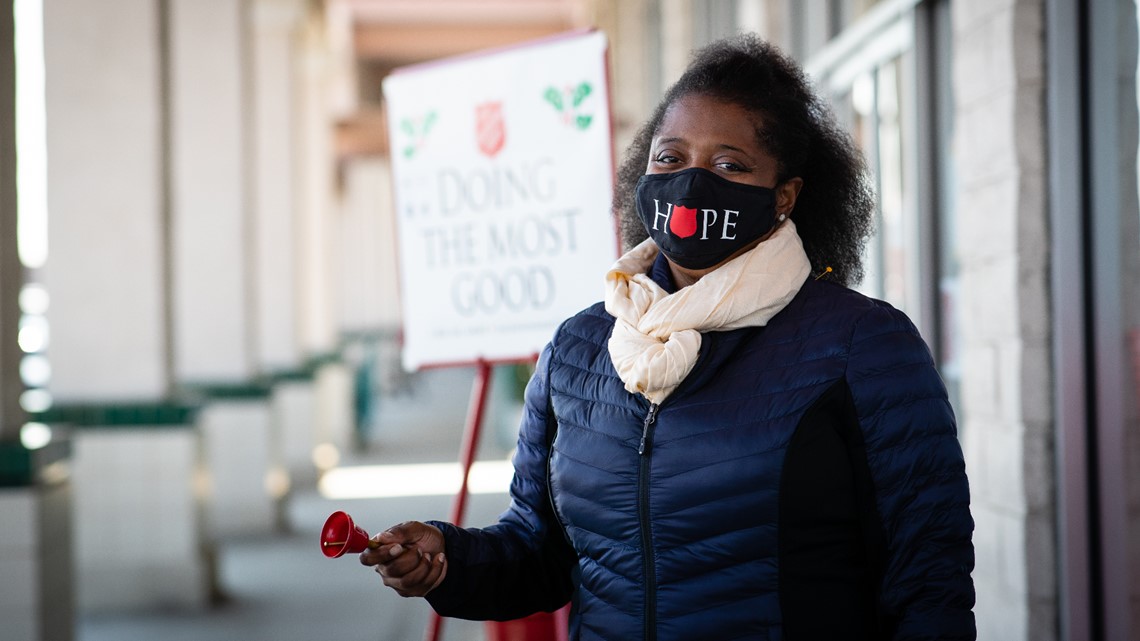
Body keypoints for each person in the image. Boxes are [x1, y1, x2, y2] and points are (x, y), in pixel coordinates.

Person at [361, 33, 976, 640]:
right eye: (670, 158)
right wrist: (449, 560)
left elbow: (929, 581)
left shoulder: (861, 344)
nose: (691, 183)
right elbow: (539, 552)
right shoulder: (579, 348)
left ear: (784, 197)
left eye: (729, 165)